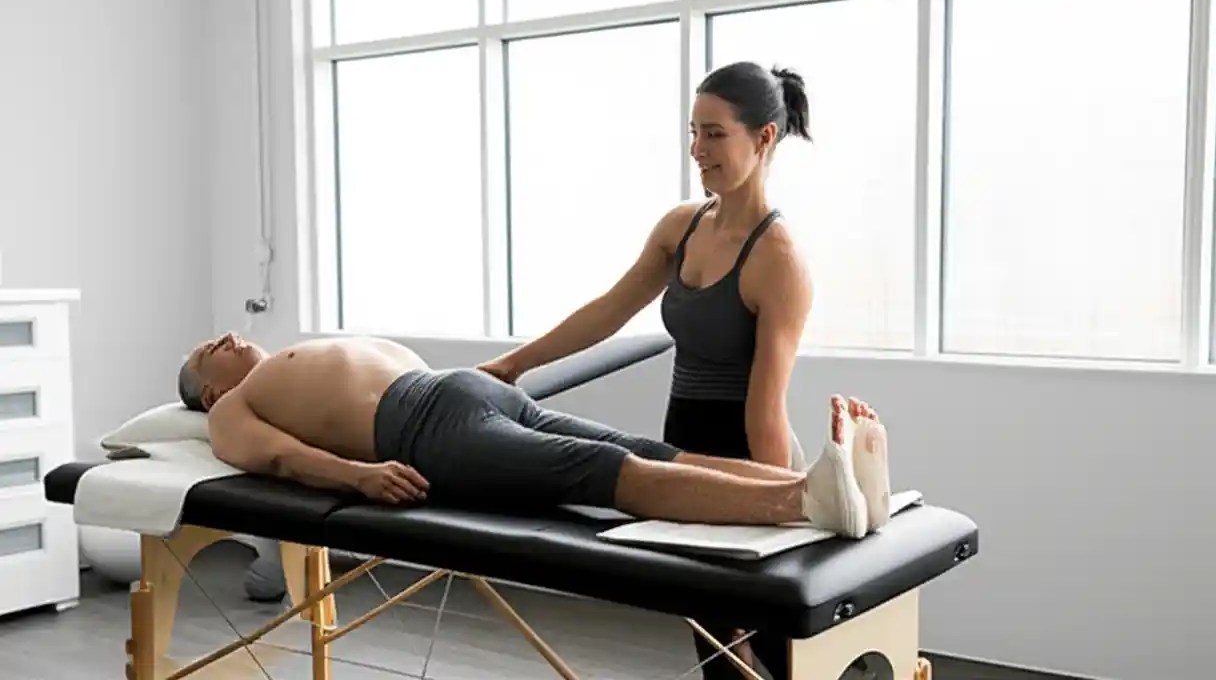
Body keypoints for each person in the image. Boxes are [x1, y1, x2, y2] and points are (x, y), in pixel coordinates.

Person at [476, 60, 874, 678]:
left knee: (773, 642)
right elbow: (608, 311)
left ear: (763, 137)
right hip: (682, 447)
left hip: (748, 450)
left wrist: (777, 506)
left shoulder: (779, 260)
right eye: (693, 132)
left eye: (714, 134)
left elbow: (765, 405)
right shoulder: (681, 226)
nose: (697, 150)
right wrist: (515, 363)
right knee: (710, 634)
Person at [175, 331, 876, 537]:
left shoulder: (288, 358)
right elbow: (281, 460)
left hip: (463, 391)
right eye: (212, 347)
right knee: (610, 476)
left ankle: (812, 482)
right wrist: (359, 477)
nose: (230, 335)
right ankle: (802, 503)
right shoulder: (232, 411)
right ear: (208, 389)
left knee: (644, 451)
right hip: (427, 435)